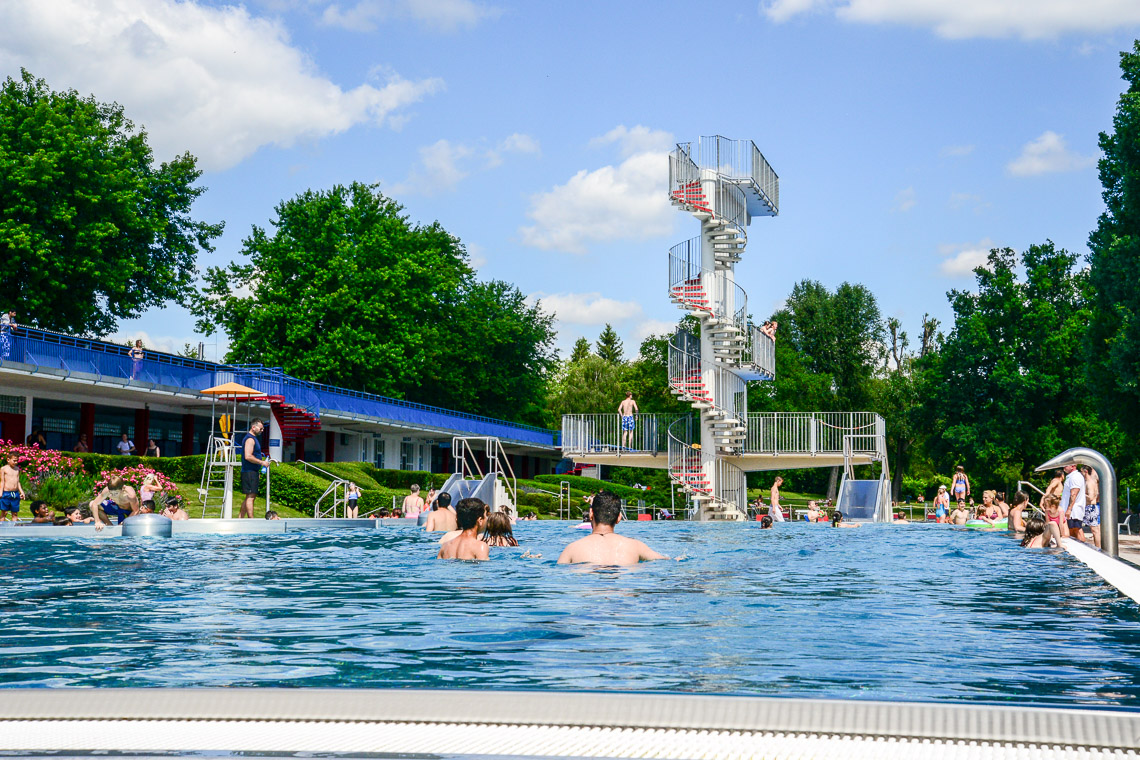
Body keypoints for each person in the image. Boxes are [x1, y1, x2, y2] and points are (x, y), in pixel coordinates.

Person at [557, 490, 667, 565]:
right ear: (619, 517)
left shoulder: (572, 549)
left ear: (591, 513)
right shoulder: (636, 546)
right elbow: (665, 561)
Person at [240, 419, 270, 519]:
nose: (262, 430)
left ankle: (240, 518)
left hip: (252, 471)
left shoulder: (253, 439)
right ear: (253, 427)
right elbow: (248, 456)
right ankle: (251, 520)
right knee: (251, 497)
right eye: (260, 429)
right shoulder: (250, 439)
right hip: (249, 471)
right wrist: (262, 462)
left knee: (249, 496)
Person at [1060, 463, 1087, 542]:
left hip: (1074, 511)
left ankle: (1084, 549)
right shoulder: (1072, 477)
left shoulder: (1075, 477)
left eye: (1066, 465)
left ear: (1073, 466)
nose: (1064, 466)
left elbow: (1073, 494)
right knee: (1071, 531)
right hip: (1071, 510)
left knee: (1076, 530)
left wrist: (1069, 509)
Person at [0, 455, 26, 521]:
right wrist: (0, 492)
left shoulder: (17, 469)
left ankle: (14, 529)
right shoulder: (3, 469)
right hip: (6, 493)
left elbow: (18, 482)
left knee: (15, 513)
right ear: (8, 460)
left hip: (15, 493)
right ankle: (2, 528)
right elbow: (2, 481)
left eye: (17, 460)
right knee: (4, 512)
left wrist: (21, 492)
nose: (16, 462)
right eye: (14, 460)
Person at [1082, 465, 1101, 549]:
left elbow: (1091, 497)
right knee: (1096, 530)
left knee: (1095, 530)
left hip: (1090, 507)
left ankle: (1098, 548)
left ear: (1085, 471)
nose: (1081, 473)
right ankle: (1099, 547)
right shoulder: (1093, 481)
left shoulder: (1089, 482)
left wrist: (1080, 494)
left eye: (1081, 471)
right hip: (1093, 507)